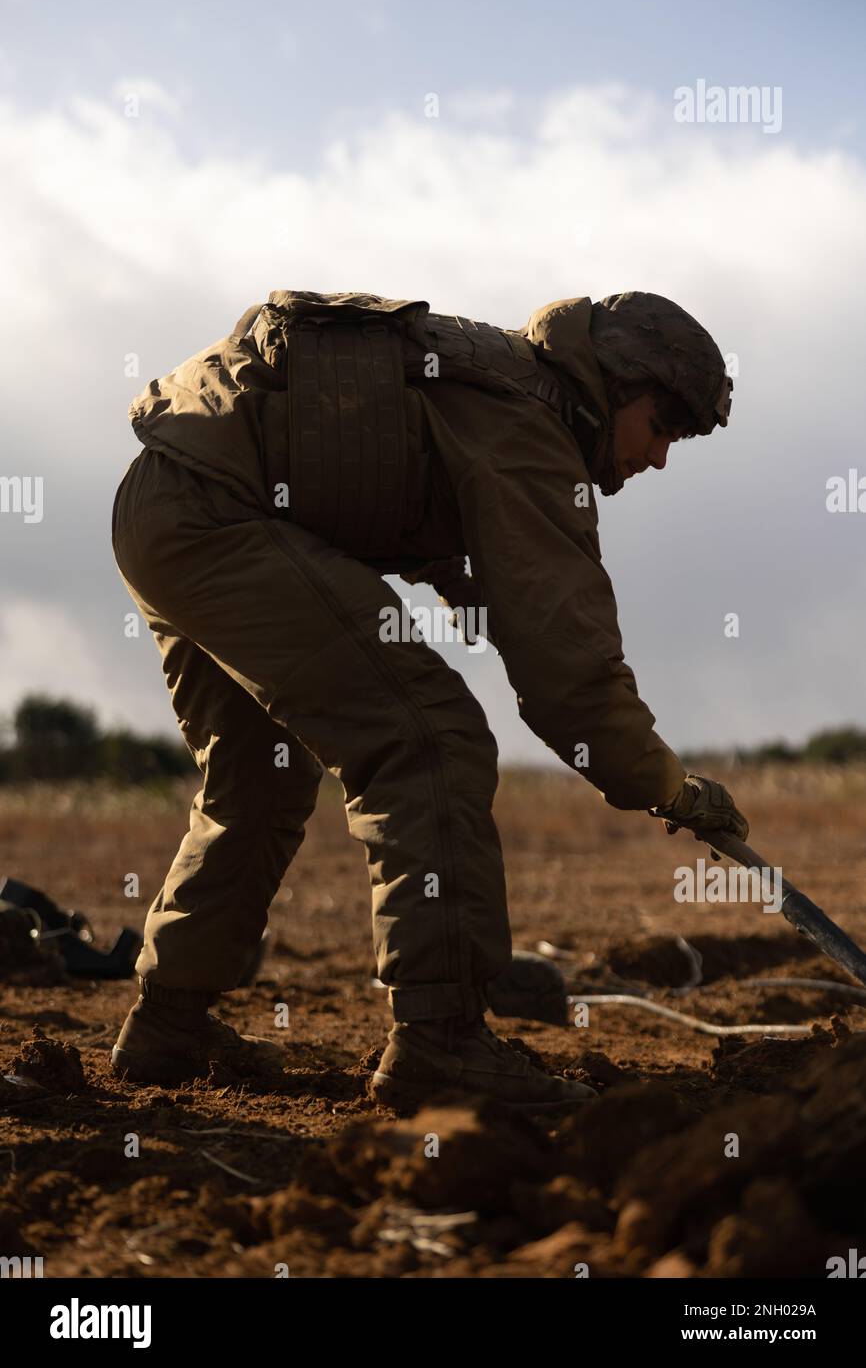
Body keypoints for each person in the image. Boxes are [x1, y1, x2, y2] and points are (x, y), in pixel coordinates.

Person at [109, 289, 748, 1107]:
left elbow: (434, 521)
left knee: (258, 774)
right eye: (661, 427)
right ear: (618, 385)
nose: (659, 458)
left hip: (162, 503)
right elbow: (573, 678)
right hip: (219, 514)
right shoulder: (530, 429)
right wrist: (671, 788)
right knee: (431, 740)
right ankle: (442, 1043)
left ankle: (168, 1025)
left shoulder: (498, 388)